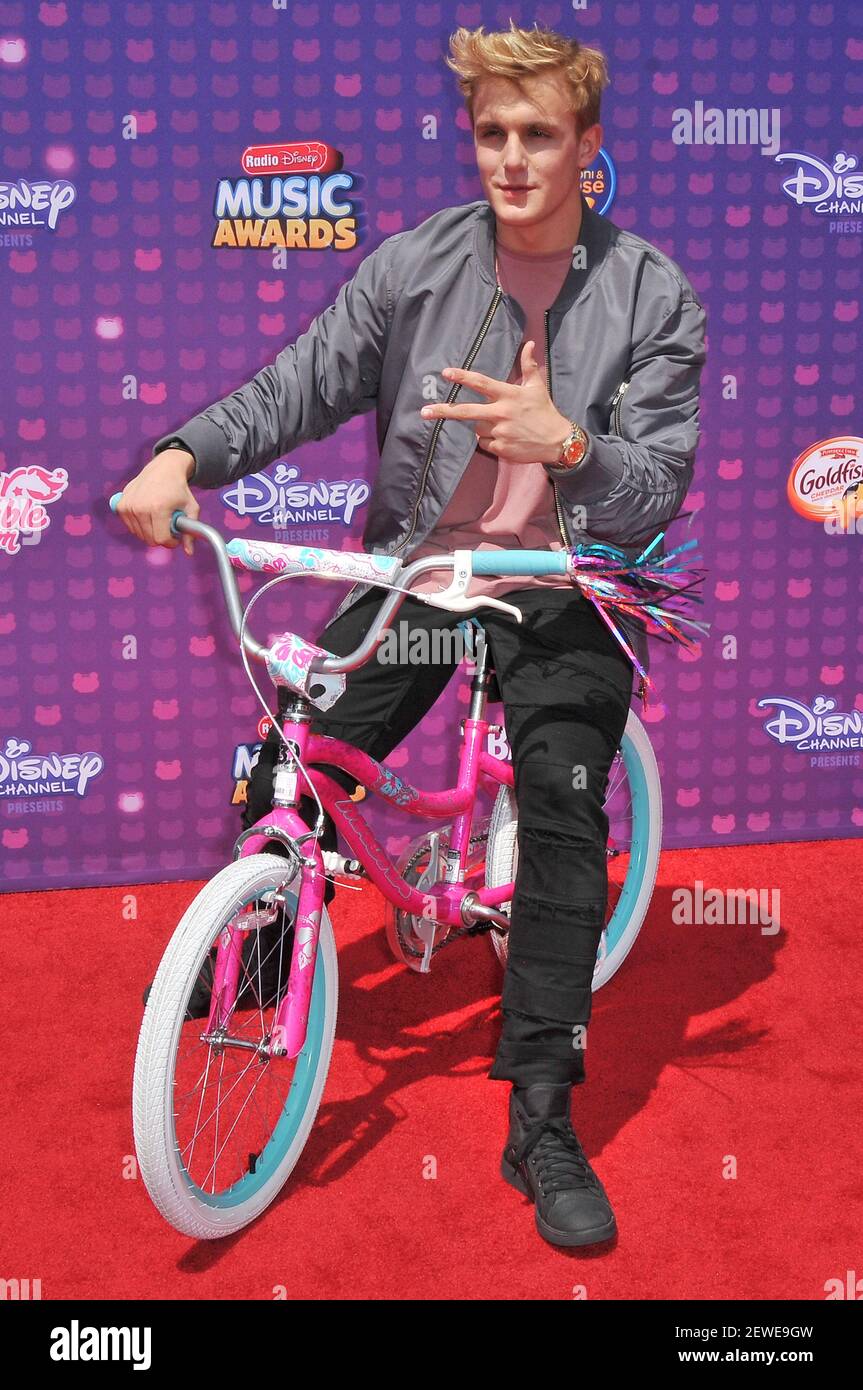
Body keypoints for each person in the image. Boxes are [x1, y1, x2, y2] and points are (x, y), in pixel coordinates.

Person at [116, 20, 707, 1248]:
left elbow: (655, 488)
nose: (510, 159)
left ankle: (540, 1115)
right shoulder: (411, 267)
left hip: (567, 586)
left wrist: (570, 447)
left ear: (586, 145)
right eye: (490, 133)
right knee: (294, 758)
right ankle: (263, 941)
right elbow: (296, 386)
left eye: (537, 134)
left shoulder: (653, 293)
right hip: (422, 587)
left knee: (556, 803)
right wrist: (180, 454)